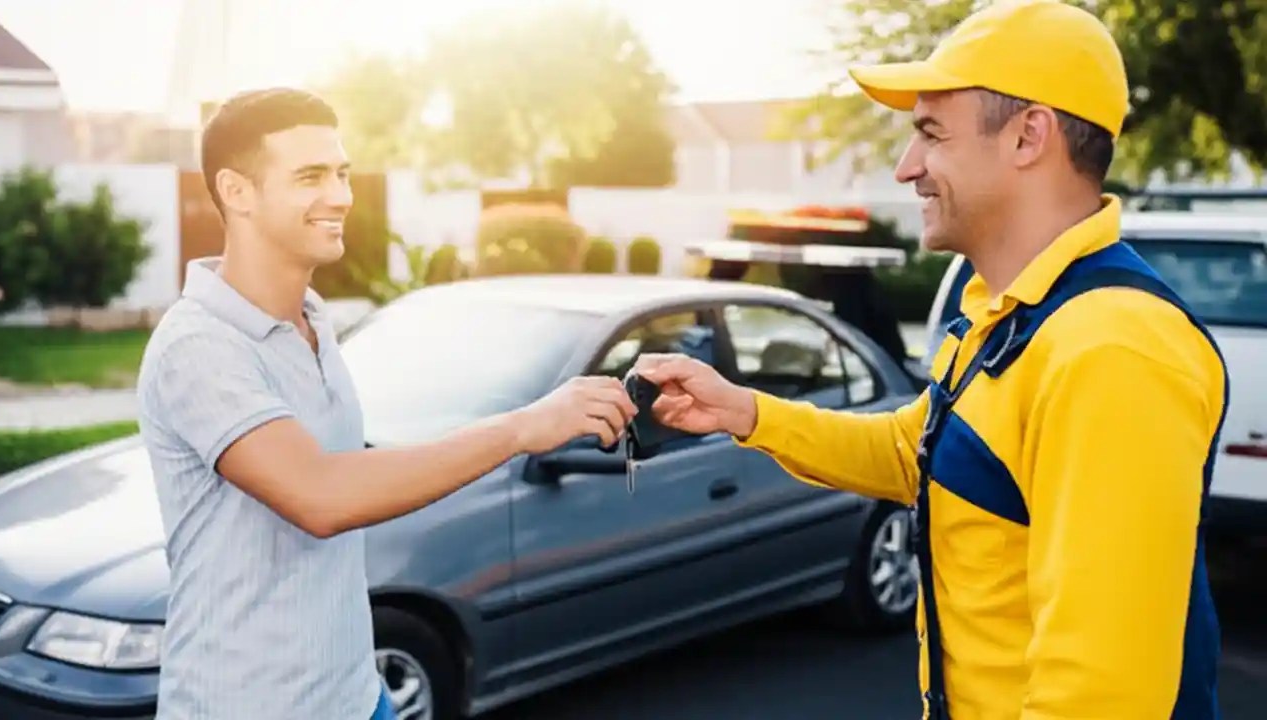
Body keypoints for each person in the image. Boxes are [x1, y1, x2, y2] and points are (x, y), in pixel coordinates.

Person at [632, 2, 1228, 719]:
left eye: (930, 134)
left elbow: (1099, 699)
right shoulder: (1005, 311)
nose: (906, 166)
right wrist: (745, 411)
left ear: (1027, 137)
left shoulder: (1112, 351)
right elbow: (914, 448)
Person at [135, 88, 636, 720]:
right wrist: (521, 428)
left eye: (342, 173)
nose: (342, 195)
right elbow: (321, 495)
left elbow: (354, 463)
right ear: (237, 192)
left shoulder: (311, 320)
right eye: (311, 176)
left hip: (354, 695)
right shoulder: (198, 345)